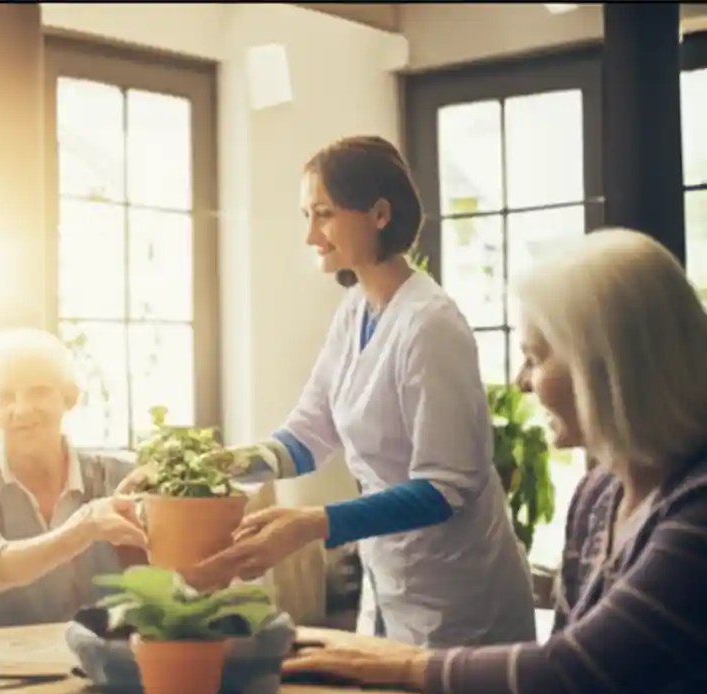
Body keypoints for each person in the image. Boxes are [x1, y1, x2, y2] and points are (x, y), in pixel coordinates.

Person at [126, 136, 535, 648]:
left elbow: (445, 488)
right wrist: (211, 467)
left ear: (379, 214)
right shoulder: (355, 311)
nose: (310, 236)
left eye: (323, 214)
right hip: (390, 584)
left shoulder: (431, 325)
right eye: (307, 215)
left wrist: (311, 523)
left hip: (461, 598)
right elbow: (306, 436)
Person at [281, 228, 707, 694]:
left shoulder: (696, 511)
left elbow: (575, 674)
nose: (523, 383)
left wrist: (397, 663)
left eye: (536, 357)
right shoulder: (599, 496)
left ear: (607, 364)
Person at [0, 328, 147, 630]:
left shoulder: (120, 476)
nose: (21, 410)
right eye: (4, 396)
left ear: (70, 398)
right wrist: (83, 528)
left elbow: (174, 577)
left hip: (109, 661)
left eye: (39, 391)